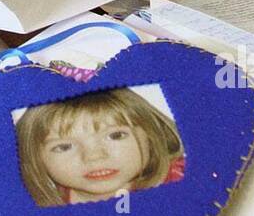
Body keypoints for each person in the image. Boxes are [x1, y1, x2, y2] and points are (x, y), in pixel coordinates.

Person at [15, 88, 184, 207]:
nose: (94, 156)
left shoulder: (183, 184)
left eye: (115, 136)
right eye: (64, 147)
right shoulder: (39, 213)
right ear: (35, 158)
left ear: (151, 135)